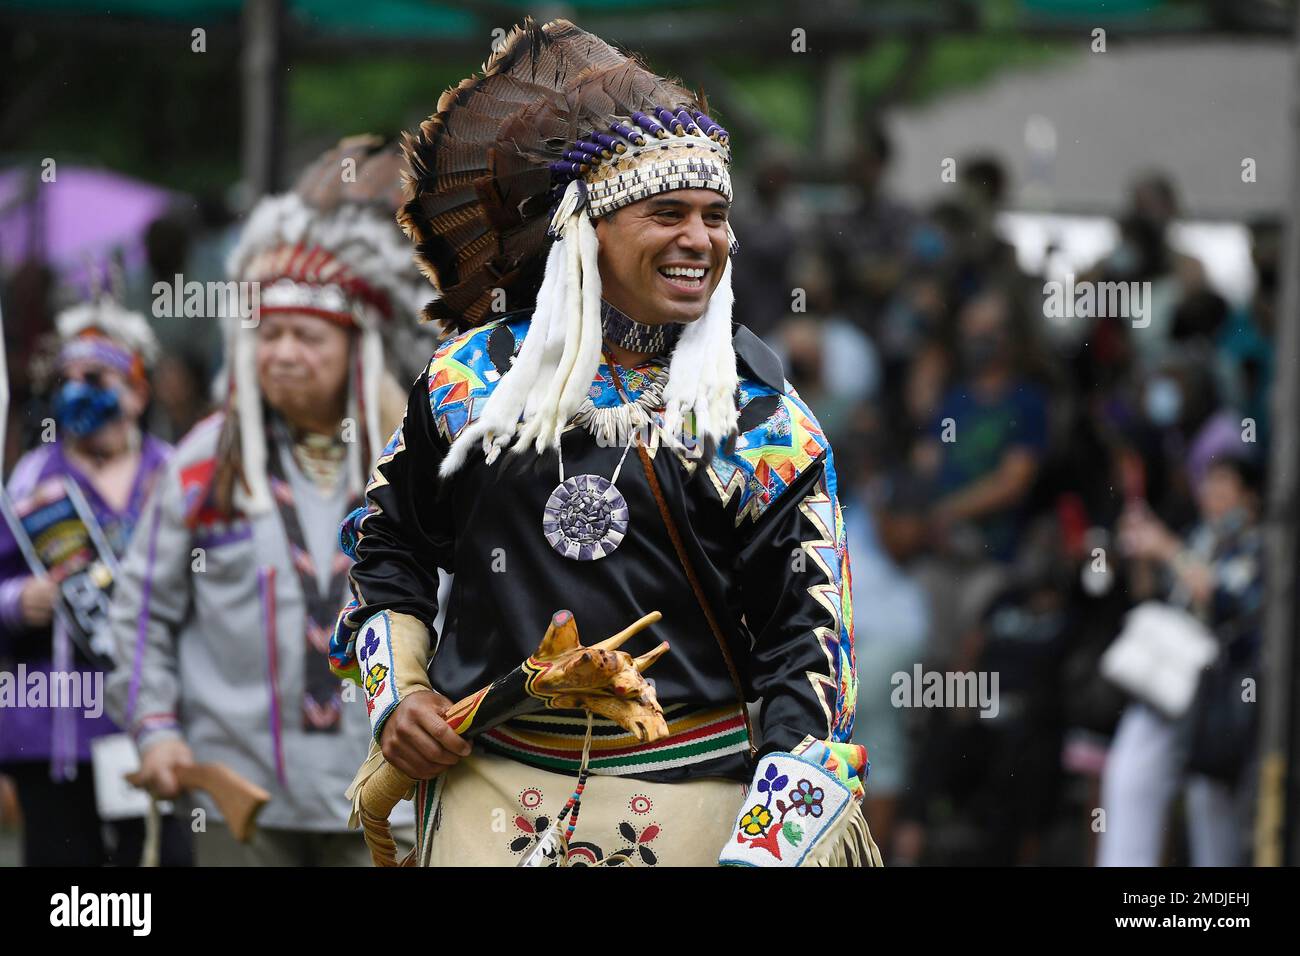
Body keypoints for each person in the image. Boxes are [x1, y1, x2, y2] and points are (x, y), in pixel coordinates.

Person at [330, 17, 878, 867]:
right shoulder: (469, 384)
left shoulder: (766, 427)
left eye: (715, 217)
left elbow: (810, 656)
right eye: (669, 213)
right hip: (488, 794)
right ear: (586, 230)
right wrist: (398, 697)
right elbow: (388, 546)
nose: (702, 239)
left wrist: (765, 853)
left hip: (694, 804)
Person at [104, 136, 428, 866]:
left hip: (388, 795)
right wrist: (155, 729)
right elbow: (141, 615)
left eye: (307, 337)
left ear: (359, 347)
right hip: (237, 798)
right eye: (268, 334)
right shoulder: (204, 465)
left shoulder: (413, 467)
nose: (282, 353)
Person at [0, 294, 186, 865]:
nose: (77, 388)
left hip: (154, 719)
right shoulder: (35, 475)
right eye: (68, 377)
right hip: (55, 730)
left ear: (137, 390)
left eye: (97, 376)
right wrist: (15, 602)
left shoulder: (172, 471)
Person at [1098, 453, 1264, 866]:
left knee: (1211, 807)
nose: (1213, 494)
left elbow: (1228, 599)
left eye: (1224, 484)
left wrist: (1166, 547)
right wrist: (1140, 549)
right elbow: (1151, 597)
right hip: (1164, 687)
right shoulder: (1198, 536)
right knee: (1129, 781)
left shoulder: (1257, 545)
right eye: (1208, 484)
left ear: (1250, 496)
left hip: (1219, 695)